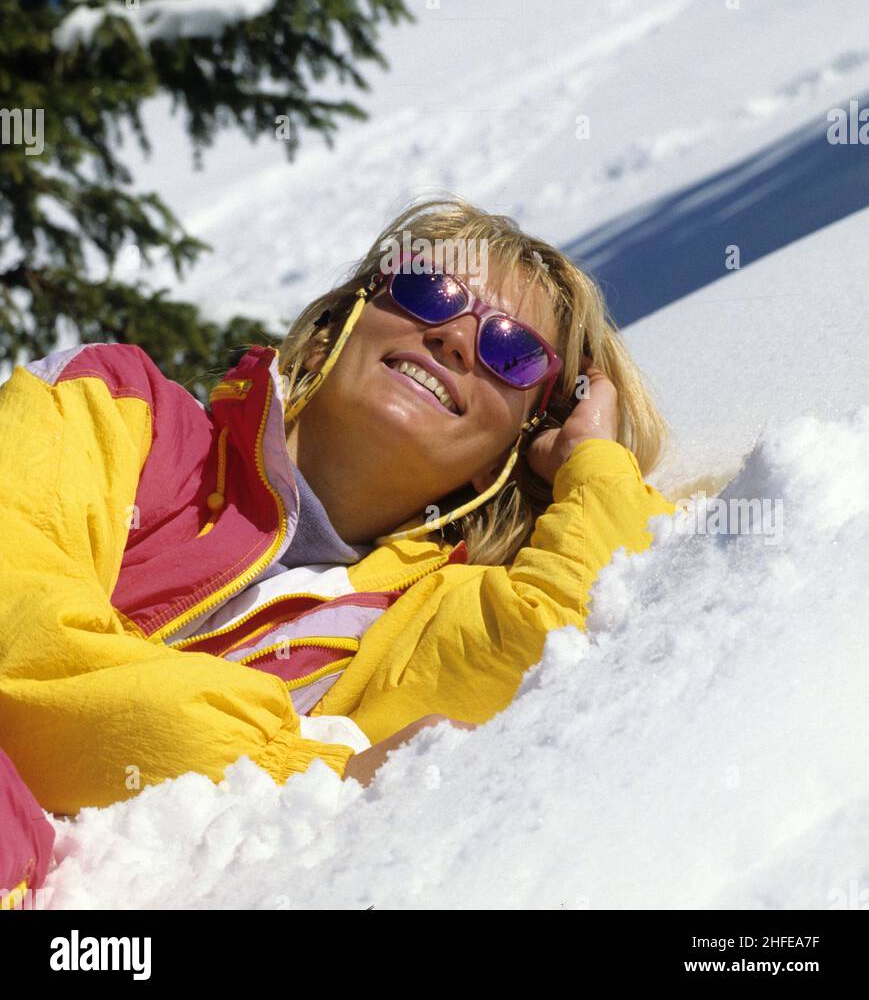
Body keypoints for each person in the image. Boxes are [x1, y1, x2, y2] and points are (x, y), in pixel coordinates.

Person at [0, 193, 676, 827]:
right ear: (330, 332)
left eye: (513, 352)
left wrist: (590, 461)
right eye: (427, 290)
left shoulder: (418, 618)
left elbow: (579, 634)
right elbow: (21, 640)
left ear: (502, 453)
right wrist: (306, 769)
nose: (457, 340)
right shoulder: (115, 408)